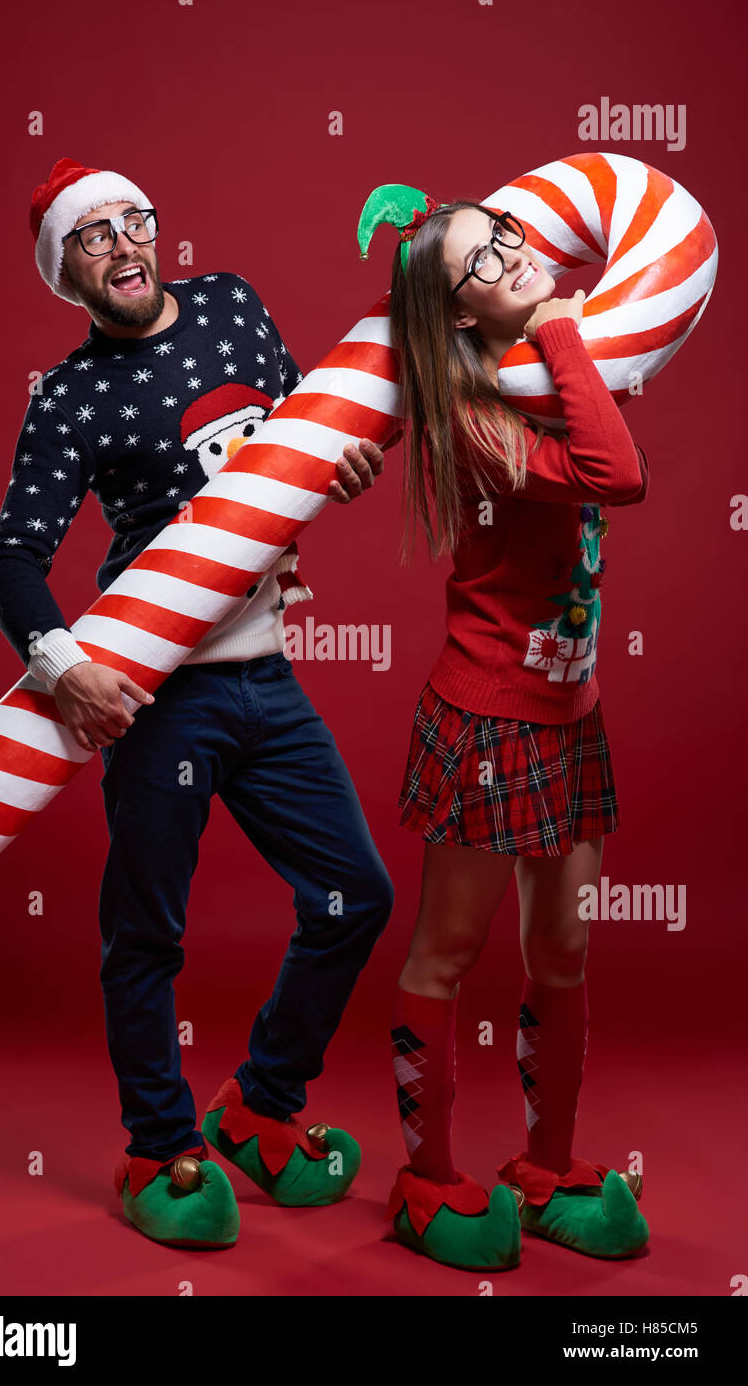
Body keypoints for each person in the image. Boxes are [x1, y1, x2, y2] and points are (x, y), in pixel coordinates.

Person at [0, 158, 395, 1250]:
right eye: (92, 237)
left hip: (267, 675)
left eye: (133, 223)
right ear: (64, 271)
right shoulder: (68, 395)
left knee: (354, 896)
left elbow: (304, 424)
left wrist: (339, 463)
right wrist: (66, 667)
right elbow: (12, 563)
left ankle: (259, 1108)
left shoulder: (231, 302)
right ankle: (158, 1145)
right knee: (147, 931)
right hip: (159, 697)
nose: (122, 247)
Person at [357, 184, 651, 1270]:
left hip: (572, 715)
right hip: (485, 720)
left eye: (510, 238)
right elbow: (615, 475)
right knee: (447, 952)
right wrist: (564, 327)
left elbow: (623, 446)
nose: (514, 260)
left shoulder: (554, 374)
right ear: (458, 316)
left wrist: (567, 340)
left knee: (563, 947)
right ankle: (427, 1177)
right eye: (481, 264)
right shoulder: (474, 420)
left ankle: (550, 1166)